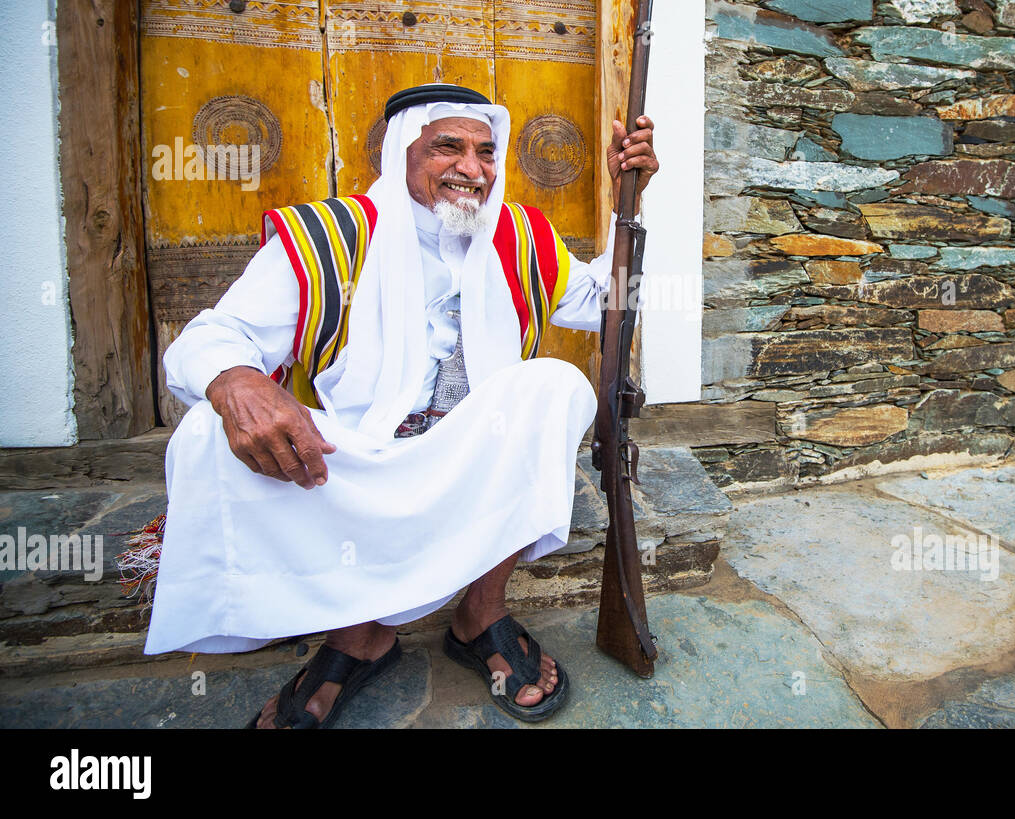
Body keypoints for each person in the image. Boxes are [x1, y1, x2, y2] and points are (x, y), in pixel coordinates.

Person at [142, 83, 659, 727]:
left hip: (470, 450)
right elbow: (214, 337)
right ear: (402, 153)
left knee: (554, 384)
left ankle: (480, 615)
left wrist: (627, 200)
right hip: (356, 457)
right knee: (205, 433)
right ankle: (357, 636)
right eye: (449, 147)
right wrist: (237, 383)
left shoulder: (518, 233)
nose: (472, 168)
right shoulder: (328, 234)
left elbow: (598, 300)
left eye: (485, 152)